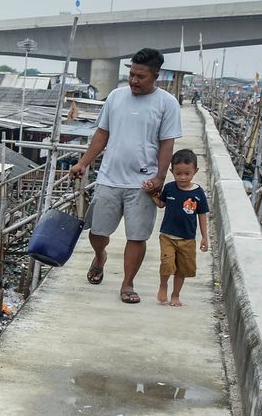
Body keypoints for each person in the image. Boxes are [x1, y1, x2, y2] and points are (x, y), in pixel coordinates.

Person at [70, 48, 182, 303]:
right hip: (109, 178)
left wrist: (160, 177)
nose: (134, 81)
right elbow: (102, 134)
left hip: (143, 183)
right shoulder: (116, 97)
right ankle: (100, 257)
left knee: (137, 236)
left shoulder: (167, 104)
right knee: (97, 232)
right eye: (131, 74)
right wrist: (83, 163)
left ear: (156, 75)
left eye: (140, 76)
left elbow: (167, 144)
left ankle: (127, 283)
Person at [152, 148, 209, 306]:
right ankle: (163, 286)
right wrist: (151, 194)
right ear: (172, 171)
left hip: (187, 238)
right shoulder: (169, 188)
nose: (182, 177)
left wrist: (204, 237)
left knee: (182, 270)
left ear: (195, 171)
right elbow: (161, 204)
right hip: (167, 236)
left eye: (187, 173)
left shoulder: (198, 193)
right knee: (167, 264)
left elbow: (202, 214)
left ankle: (175, 295)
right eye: (178, 174)